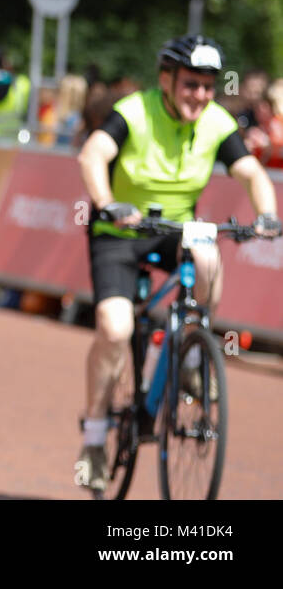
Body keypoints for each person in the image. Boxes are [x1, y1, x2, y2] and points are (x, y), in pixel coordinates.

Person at [74, 34, 280, 492]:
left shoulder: (216, 121)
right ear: (165, 80)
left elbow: (249, 170)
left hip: (177, 231)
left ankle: (192, 348)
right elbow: (93, 154)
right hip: (119, 231)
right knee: (115, 328)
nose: (200, 96)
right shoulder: (134, 112)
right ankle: (92, 436)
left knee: (208, 259)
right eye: (190, 85)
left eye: (208, 86)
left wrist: (267, 215)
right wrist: (107, 203)